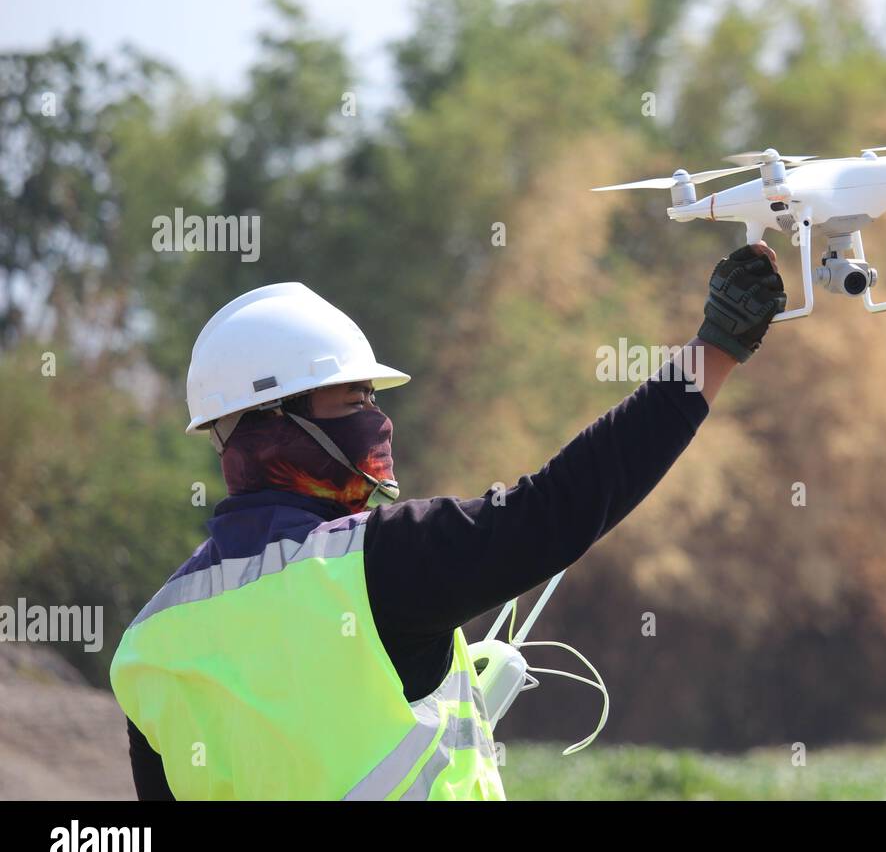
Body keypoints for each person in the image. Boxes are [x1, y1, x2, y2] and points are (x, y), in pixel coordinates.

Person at [109, 244, 785, 800]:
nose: (376, 419)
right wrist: (715, 349)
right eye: (354, 398)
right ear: (275, 423)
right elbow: (559, 505)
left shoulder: (148, 648)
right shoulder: (372, 561)